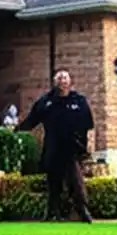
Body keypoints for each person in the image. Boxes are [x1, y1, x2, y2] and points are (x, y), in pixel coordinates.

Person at [15, 69, 95, 223]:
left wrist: (89, 146)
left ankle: (83, 210)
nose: (62, 81)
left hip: (72, 148)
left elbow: (89, 126)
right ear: (54, 82)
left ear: (70, 82)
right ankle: (53, 213)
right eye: (59, 78)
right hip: (53, 148)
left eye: (65, 78)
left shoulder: (79, 101)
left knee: (76, 182)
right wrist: (16, 131)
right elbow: (32, 120)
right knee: (53, 184)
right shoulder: (46, 102)